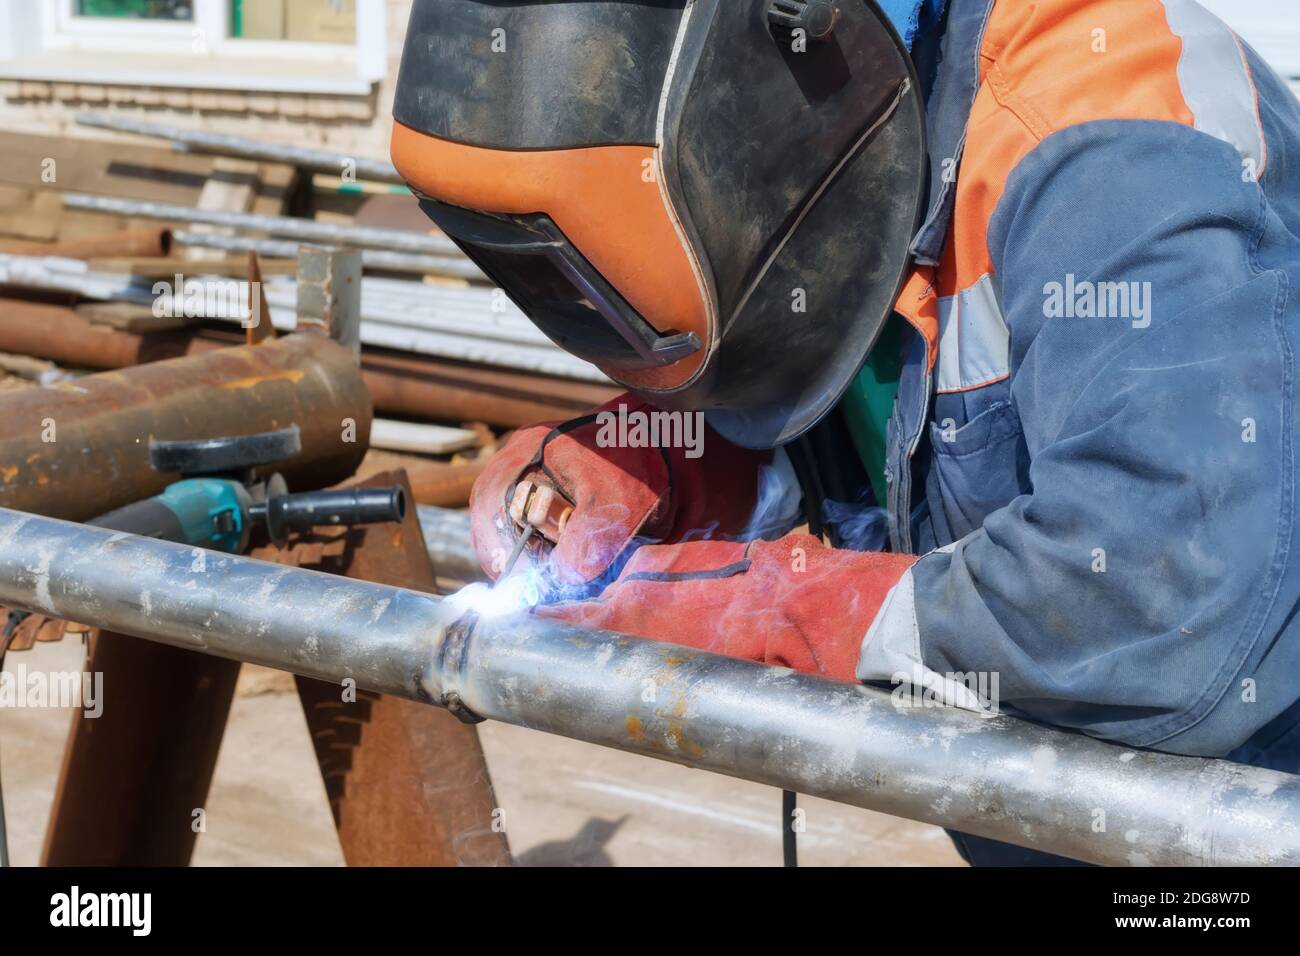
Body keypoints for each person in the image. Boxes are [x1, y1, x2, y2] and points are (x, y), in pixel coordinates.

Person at [392, 0, 1300, 865]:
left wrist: (762, 607)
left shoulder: (1106, 143)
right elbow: (874, 425)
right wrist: (669, 462)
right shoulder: (860, 125)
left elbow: (1159, 601)